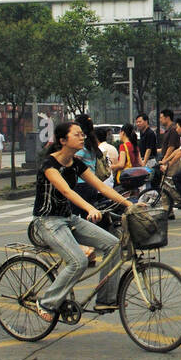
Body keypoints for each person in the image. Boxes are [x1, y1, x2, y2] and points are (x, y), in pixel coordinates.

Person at [30, 121, 137, 323]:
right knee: (78, 261)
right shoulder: (49, 165)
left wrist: (128, 204)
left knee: (113, 245)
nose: (82, 137)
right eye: (77, 134)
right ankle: (46, 302)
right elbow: (66, 191)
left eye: (82, 134)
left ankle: (106, 299)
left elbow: (102, 187)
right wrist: (89, 208)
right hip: (47, 222)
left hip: (69, 219)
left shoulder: (77, 164)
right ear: (63, 140)